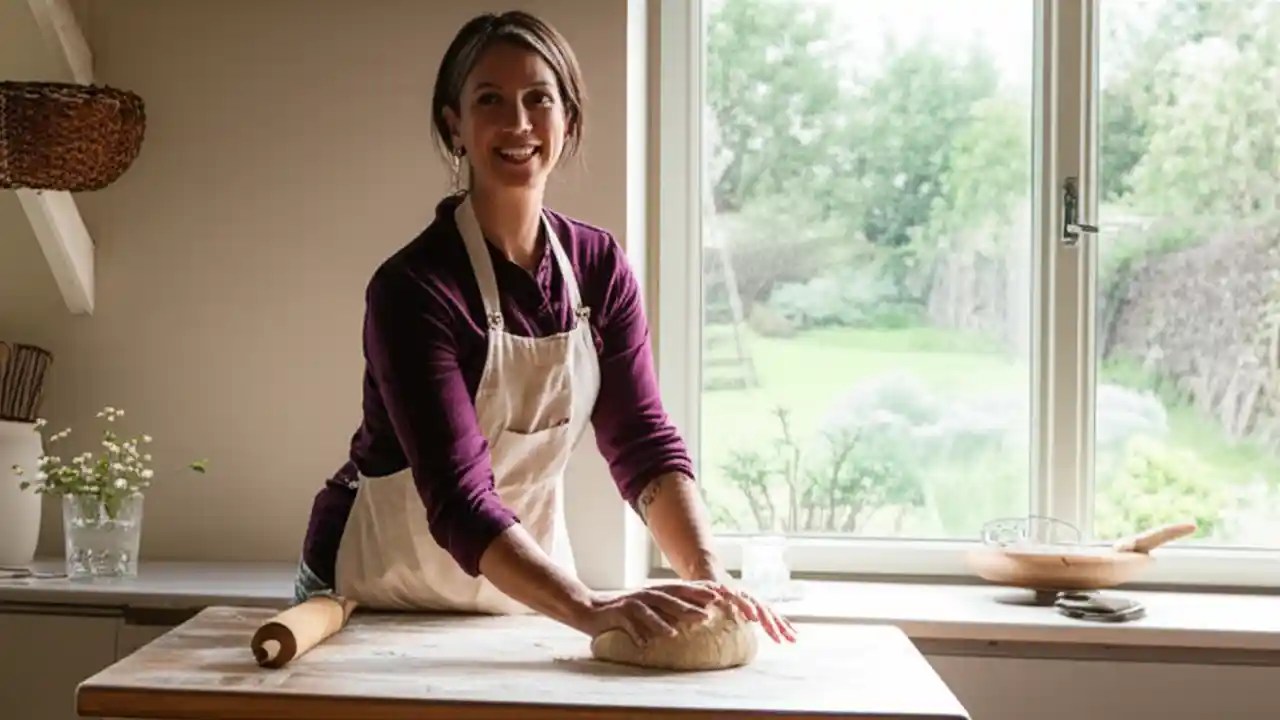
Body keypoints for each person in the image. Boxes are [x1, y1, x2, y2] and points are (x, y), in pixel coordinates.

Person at [295, 10, 795, 648]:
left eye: (539, 98)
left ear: (569, 119)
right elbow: (459, 498)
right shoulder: (414, 289)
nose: (518, 123)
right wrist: (587, 607)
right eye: (490, 100)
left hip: (520, 594)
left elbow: (641, 443)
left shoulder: (597, 268)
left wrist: (709, 574)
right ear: (455, 125)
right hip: (369, 597)